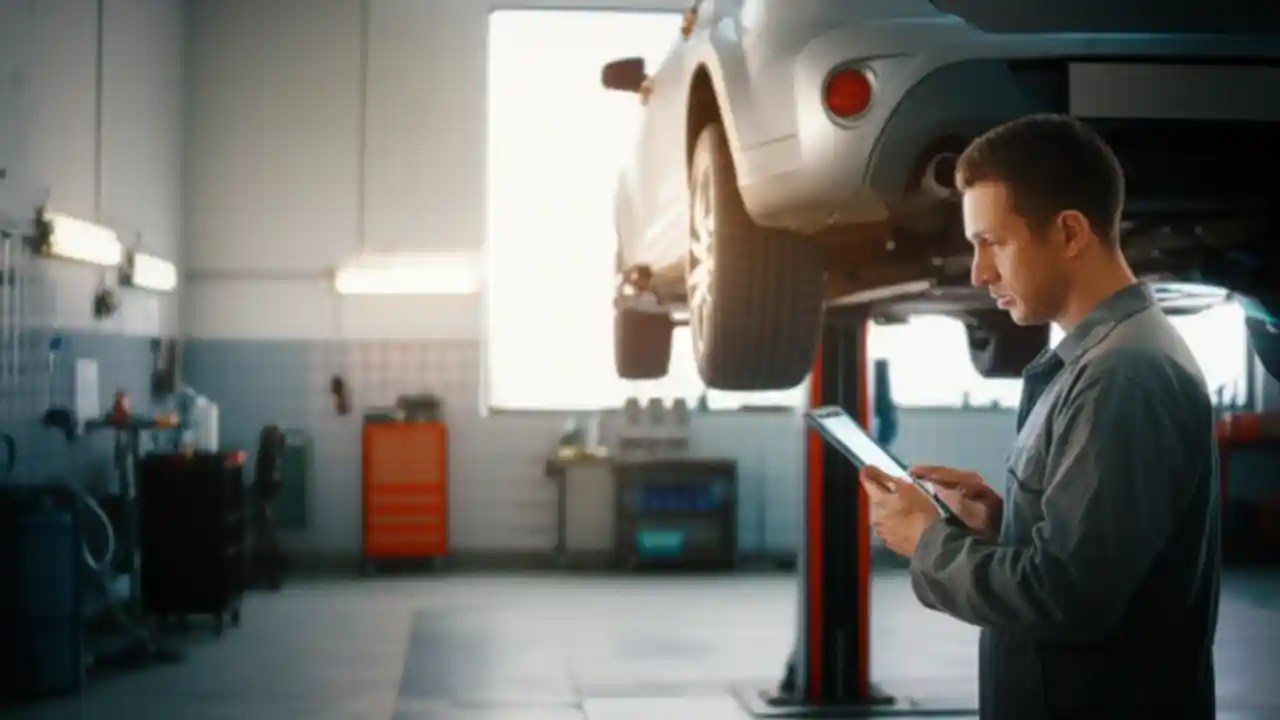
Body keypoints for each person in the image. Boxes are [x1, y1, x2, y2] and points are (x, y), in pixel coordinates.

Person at [860, 114, 1221, 720]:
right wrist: (1000, 524)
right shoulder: (1100, 361)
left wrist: (929, 541)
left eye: (993, 243)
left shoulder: (1123, 375)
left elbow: (1068, 596)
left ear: (1071, 232)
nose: (979, 273)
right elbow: (1096, 558)